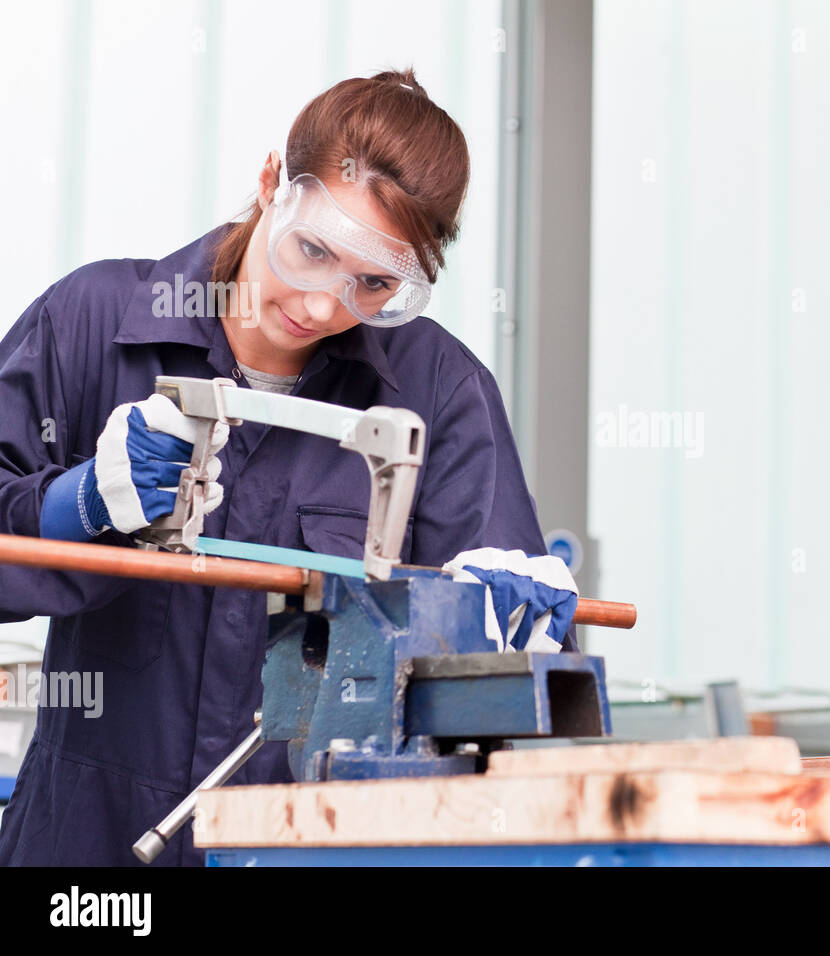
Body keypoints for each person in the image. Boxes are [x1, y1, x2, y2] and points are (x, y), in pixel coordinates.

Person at [0, 68, 571, 866]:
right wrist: (77, 505)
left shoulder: (441, 391)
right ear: (272, 183)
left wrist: (501, 633)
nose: (321, 306)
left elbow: (490, 695)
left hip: (314, 849)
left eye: (372, 284)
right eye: (312, 250)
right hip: (82, 849)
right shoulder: (91, 321)